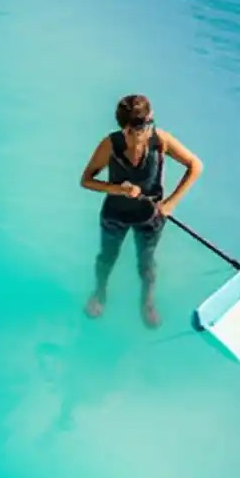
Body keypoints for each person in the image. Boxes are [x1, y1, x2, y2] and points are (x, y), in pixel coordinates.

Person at [79, 94, 203, 325]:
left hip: (151, 216)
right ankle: (99, 293)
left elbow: (195, 166)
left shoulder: (161, 140)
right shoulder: (110, 145)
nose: (146, 132)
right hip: (114, 215)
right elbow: (86, 180)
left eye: (148, 125)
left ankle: (147, 302)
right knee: (106, 258)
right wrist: (118, 189)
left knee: (147, 264)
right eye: (140, 128)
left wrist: (171, 203)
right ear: (125, 127)